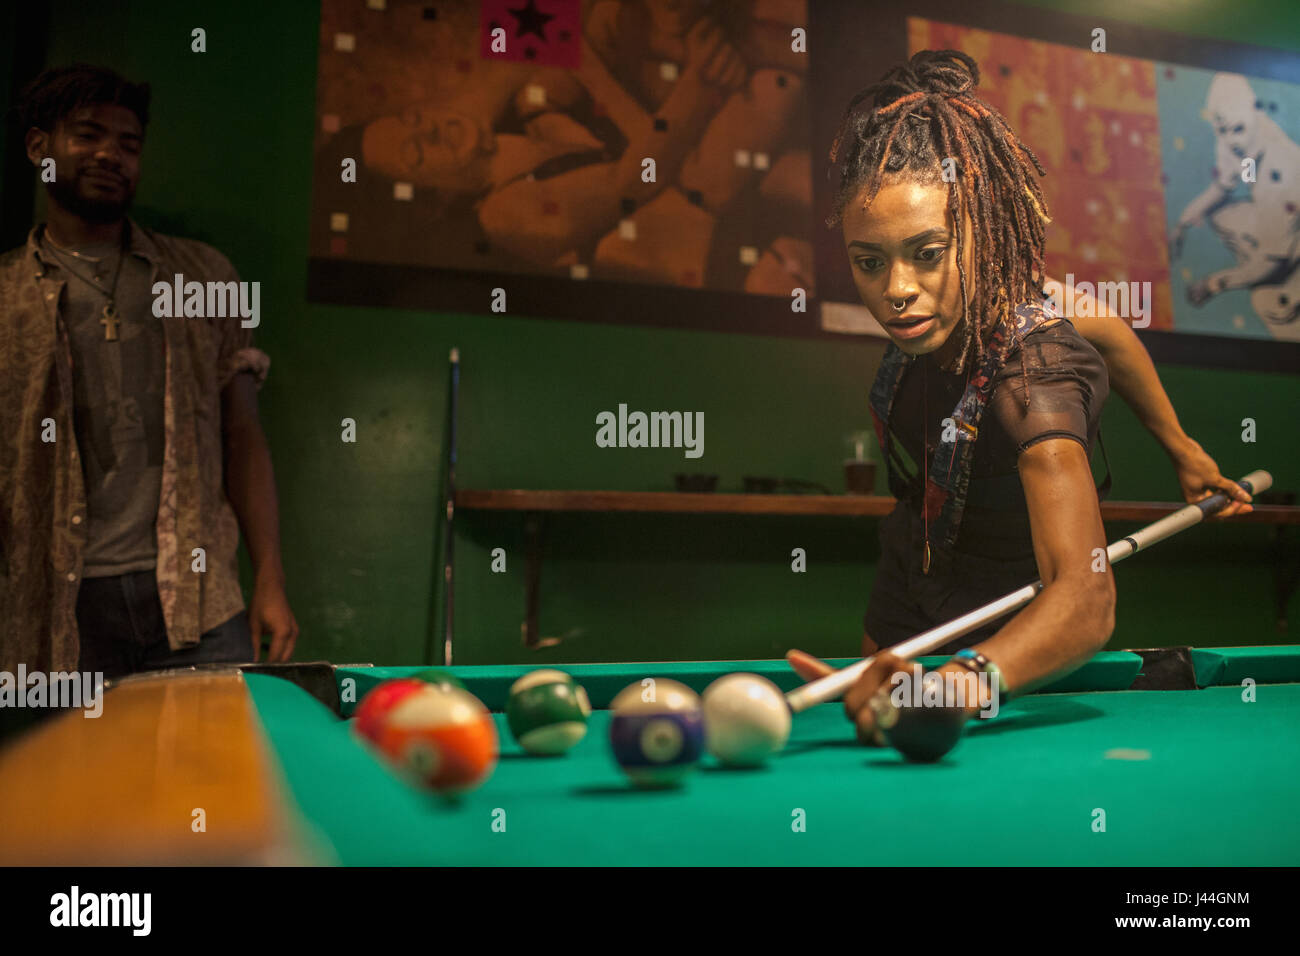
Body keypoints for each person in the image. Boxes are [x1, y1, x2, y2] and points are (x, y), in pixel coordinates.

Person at [786, 50, 1253, 743]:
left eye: (927, 251)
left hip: (1002, 623)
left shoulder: (1035, 378)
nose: (896, 289)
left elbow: (1088, 597)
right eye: (870, 261)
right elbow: (1115, 330)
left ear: (982, 229)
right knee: (874, 754)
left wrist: (963, 680)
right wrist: (1185, 452)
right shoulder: (1008, 295)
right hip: (910, 575)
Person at [0, 64, 298, 680]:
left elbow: (243, 434)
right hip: (55, 610)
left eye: (128, 145)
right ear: (39, 149)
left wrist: (269, 577)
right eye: (87, 136)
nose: (110, 154)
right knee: (70, 778)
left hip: (198, 599)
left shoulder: (204, 278)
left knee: (210, 772)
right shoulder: (5, 295)